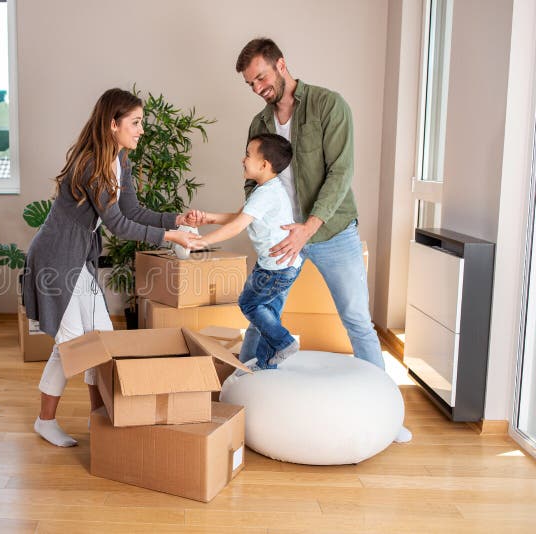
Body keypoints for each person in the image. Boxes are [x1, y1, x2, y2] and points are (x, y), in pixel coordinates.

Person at [234, 37, 412, 443]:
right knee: (260, 317)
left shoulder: (329, 105)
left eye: (261, 77)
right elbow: (252, 183)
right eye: (251, 84)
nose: (259, 88)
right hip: (281, 239)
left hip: (330, 231)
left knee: (356, 320)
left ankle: (387, 414)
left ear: (281, 65)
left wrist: (308, 228)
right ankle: (235, 406)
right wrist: (266, 233)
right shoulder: (260, 124)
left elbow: (341, 172)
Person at [22, 88, 202, 447]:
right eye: (135, 123)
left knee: (101, 341)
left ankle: (99, 421)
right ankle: (47, 421)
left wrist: (175, 218)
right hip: (57, 258)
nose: (141, 130)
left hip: (77, 258)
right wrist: (170, 236)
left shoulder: (121, 161)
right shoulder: (92, 164)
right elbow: (119, 225)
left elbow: (132, 212)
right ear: (112, 124)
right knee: (75, 345)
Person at [193, 133, 300, 369]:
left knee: (249, 304)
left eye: (248, 155)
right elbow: (240, 217)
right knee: (268, 313)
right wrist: (207, 218)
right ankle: (265, 364)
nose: (243, 159)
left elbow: (238, 226)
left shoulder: (264, 193)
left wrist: (201, 243)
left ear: (264, 165)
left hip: (275, 269)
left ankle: (284, 342)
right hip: (285, 265)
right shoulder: (267, 189)